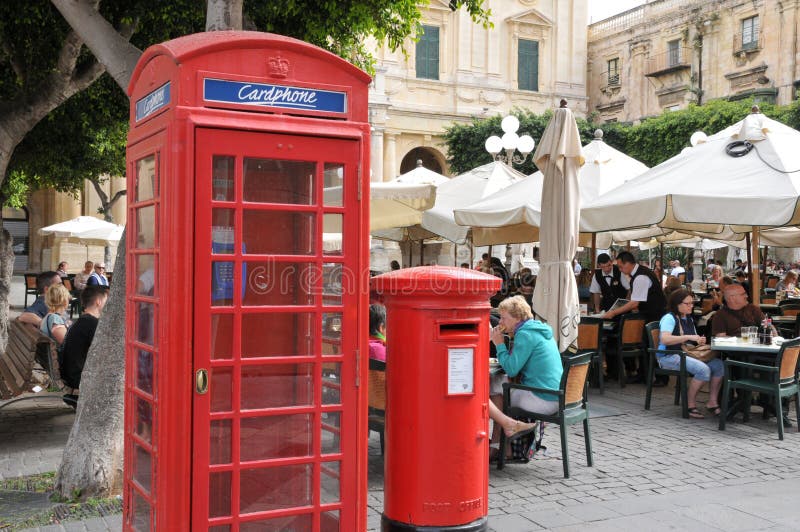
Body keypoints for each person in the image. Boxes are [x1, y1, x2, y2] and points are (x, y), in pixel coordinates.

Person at [488, 296, 560, 457]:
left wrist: (499, 344)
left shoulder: (525, 335)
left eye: (504, 318)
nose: (500, 322)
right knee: (497, 386)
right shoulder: (536, 329)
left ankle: (499, 444)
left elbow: (512, 369)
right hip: (554, 395)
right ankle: (501, 444)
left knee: (491, 390)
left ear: (518, 318)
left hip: (541, 399)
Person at [657, 289, 724, 418]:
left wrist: (699, 340)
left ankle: (712, 401)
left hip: (684, 353)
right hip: (668, 356)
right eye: (687, 304)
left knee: (719, 366)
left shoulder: (687, 318)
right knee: (703, 370)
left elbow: (691, 341)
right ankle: (689, 404)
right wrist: (689, 337)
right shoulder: (669, 318)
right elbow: (664, 339)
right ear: (677, 304)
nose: (691, 306)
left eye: (691, 303)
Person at [60, 286, 108, 397]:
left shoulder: (83, 320)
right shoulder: (92, 324)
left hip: (70, 373)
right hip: (78, 376)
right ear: (98, 302)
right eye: (106, 299)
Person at [603, 251, 666, 323]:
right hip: (653, 314)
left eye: (620, 267)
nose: (620, 270)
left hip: (655, 317)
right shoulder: (641, 271)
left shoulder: (640, 277)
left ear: (627, 263)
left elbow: (634, 303)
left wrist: (613, 313)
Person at [39, 284, 72, 349]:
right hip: (57, 357)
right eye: (68, 298)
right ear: (64, 300)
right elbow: (68, 344)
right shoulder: (55, 319)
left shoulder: (49, 315)